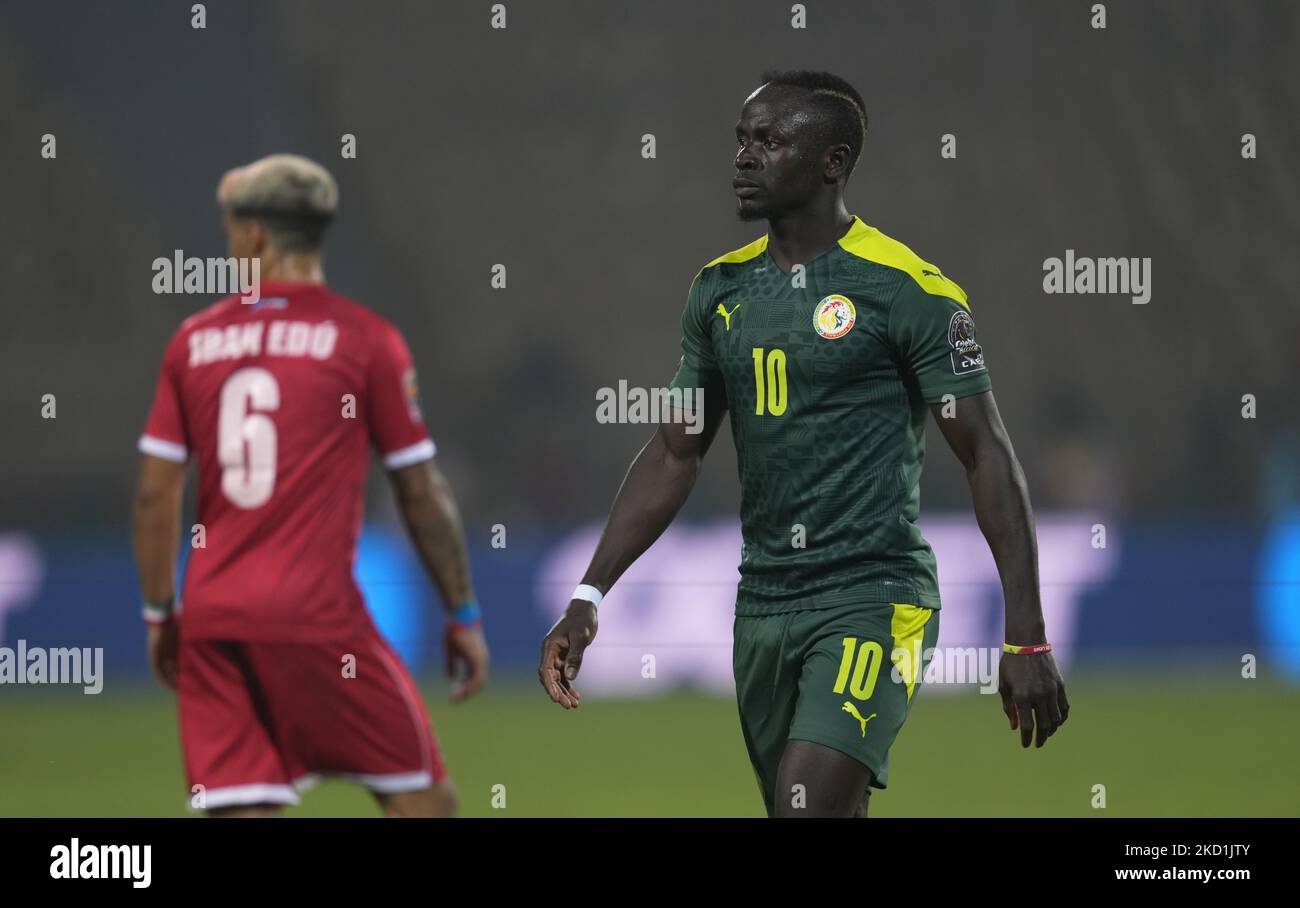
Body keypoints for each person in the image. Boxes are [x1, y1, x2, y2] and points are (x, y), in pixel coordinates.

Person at [538, 72, 1068, 817]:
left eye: (771, 140)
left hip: (872, 598)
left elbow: (987, 455)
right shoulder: (718, 293)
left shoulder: (906, 290)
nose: (745, 157)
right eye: (742, 139)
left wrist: (1028, 640)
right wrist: (588, 596)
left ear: (833, 162)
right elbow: (673, 453)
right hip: (762, 608)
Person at [131, 154, 487, 817]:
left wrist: (160, 614)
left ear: (256, 237)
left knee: (245, 807)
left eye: (232, 228)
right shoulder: (365, 340)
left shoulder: (192, 342)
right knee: (425, 803)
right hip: (316, 617)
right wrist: (461, 612)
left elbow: (155, 495)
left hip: (214, 621)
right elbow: (421, 492)